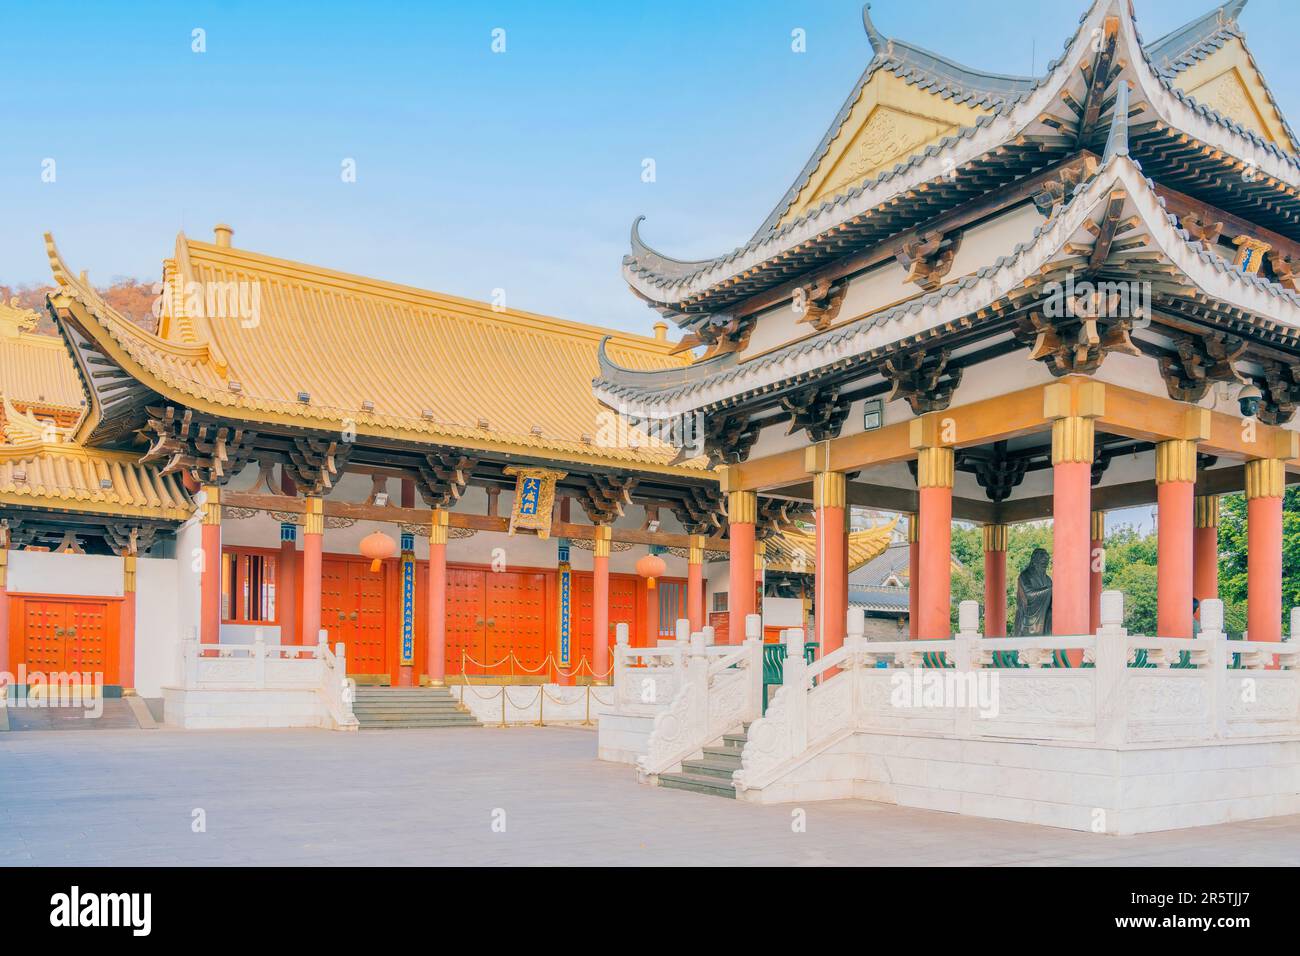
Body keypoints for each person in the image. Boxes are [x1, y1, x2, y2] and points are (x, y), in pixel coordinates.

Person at [1013, 547, 1053, 636]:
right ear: (1034, 561)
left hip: (1045, 619)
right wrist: (1049, 590)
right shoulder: (1025, 576)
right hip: (1029, 620)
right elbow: (1029, 595)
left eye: (1045, 564)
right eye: (1042, 563)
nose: (1044, 566)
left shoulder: (1048, 579)